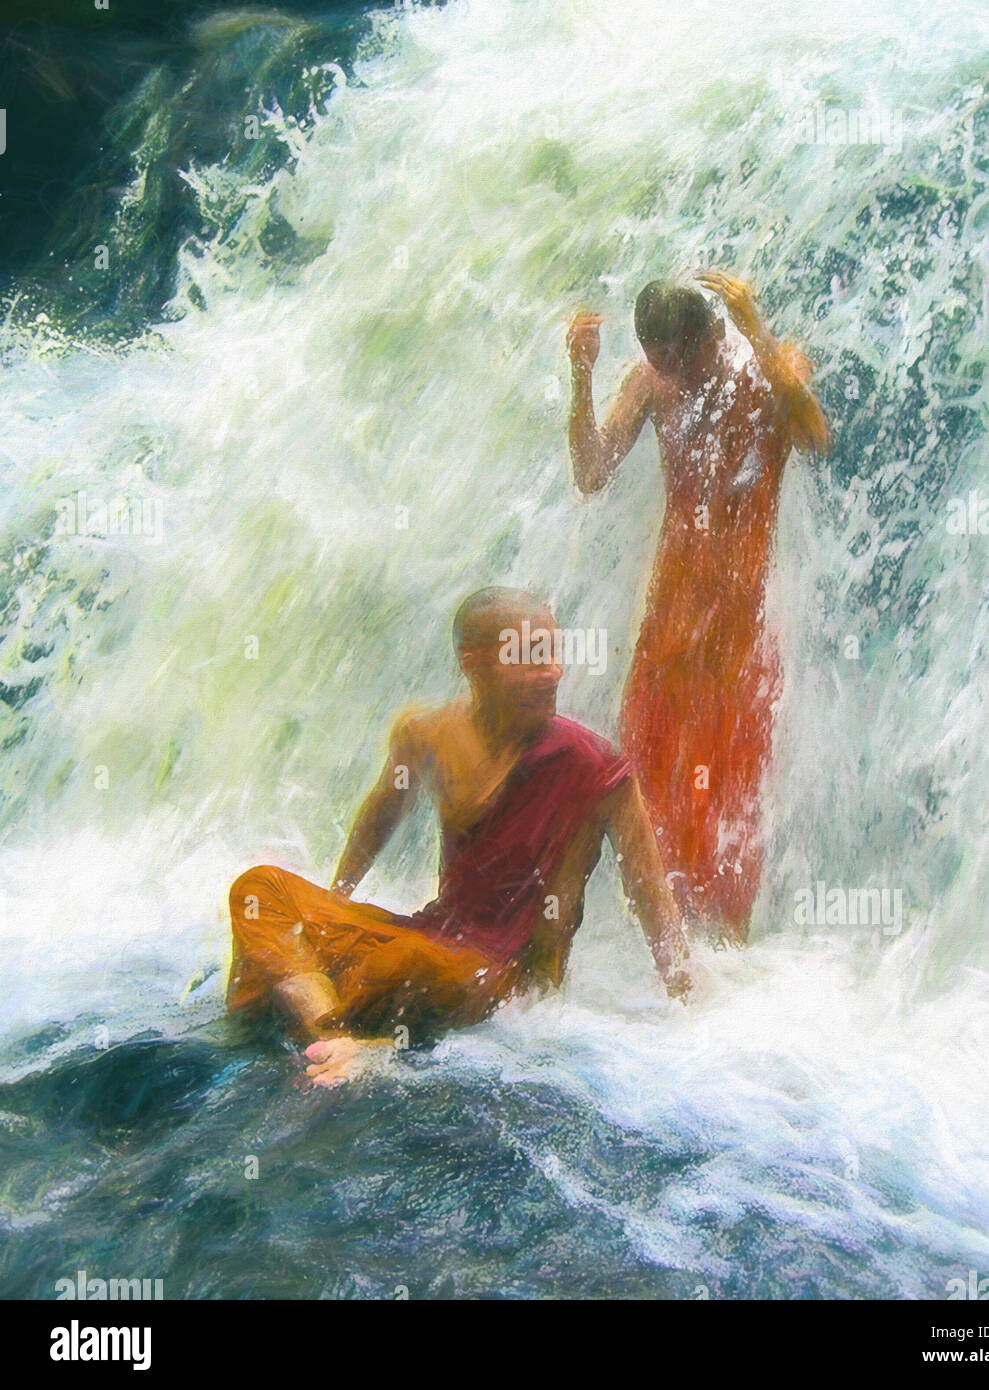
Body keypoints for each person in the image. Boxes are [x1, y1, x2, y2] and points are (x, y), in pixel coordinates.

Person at [226, 587, 690, 1087]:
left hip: (499, 976)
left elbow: (647, 888)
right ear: (473, 662)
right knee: (259, 888)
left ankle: (340, 1036)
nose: (553, 672)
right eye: (530, 657)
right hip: (432, 938)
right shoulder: (427, 734)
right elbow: (379, 818)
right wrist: (331, 911)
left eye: (553, 655)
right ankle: (334, 1037)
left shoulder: (596, 766)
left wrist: (686, 996)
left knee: (382, 965)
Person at [567, 270, 830, 941]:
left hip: (741, 620)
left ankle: (731, 944)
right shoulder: (652, 384)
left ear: (715, 332)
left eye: (687, 361)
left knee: (734, 778)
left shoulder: (769, 367)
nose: (679, 377)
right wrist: (579, 379)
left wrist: (756, 326)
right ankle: (661, 944)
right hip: (670, 617)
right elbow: (592, 473)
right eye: (665, 366)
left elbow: (813, 436)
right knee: (653, 778)